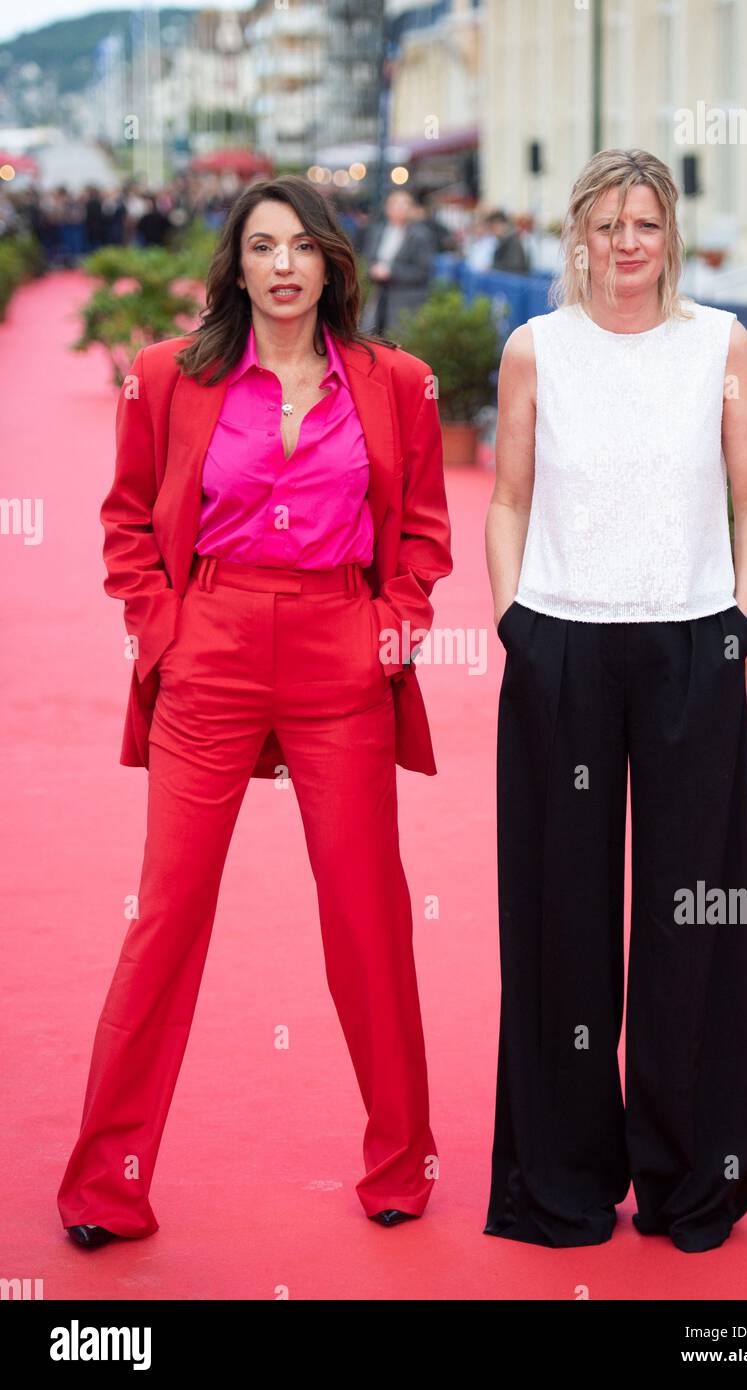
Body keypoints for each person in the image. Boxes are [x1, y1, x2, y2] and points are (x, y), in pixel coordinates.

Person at [57, 175, 452, 1247]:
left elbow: (420, 536)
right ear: (234, 265)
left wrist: (392, 626)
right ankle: (104, 1185)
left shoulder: (395, 382)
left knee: (368, 915)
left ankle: (399, 1161)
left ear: (332, 263)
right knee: (166, 916)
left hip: (339, 654)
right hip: (212, 649)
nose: (283, 265)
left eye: (302, 246)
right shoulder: (166, 379)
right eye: (262, 246)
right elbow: (128, 523)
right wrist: (168, 630)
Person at [483, 148, 747, 1253]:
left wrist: (737, 621)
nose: (625, 243)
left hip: (689, 650)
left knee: (688, 916)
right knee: (561, 918)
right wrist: (513, 618)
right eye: (605, 223)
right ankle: (558, 1177)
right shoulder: (532, 350)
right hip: (558, 645)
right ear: (576, 234)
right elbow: (507, 497)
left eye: (643, 223)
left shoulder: (719, 344)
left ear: (671, 235)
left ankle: (691, 1174)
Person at [360, 189, 437, 336]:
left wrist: (391, 272)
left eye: (405, 204)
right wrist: (373, 270)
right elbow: (368, 260)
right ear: (387, 208)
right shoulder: (377, 232)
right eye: (396, 204)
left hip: (406, 302)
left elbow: (423, 272)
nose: (401, 208)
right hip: (378, 297)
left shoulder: (421, 235)